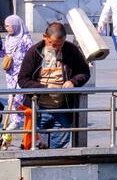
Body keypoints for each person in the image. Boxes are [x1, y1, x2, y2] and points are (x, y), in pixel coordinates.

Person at [17, 22, 90, 150]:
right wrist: (43, 89)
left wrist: (73, 81)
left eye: (60, 45)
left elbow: (84, 72)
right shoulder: (34, 52)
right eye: (52, 44)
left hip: (62, 107)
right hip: (39, 108)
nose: (56, 48)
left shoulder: (71, 50)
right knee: (38, 144)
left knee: (60, 142)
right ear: (45, 37)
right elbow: (23, 79)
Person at [2, 15, 32, 148]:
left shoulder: (25, 39)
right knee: (11, 100)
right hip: (10, 74)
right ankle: (12, 126)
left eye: (8, 25)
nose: (6, 28)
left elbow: (31, 56)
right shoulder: (8, 38)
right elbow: (4, 53)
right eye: (5, 26)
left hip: (21, 75)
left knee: (16, 101)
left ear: (15, 25)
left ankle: (12, 125)